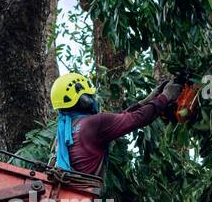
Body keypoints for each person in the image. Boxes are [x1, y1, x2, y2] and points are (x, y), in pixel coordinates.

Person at [49, 72, 181, 176]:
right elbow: (137, 119)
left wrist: (146, 100)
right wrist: (165, 97)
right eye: (90, 95)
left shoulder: (66, 129)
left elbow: (118, 119)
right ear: (84, 100)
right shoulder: (94, 123)